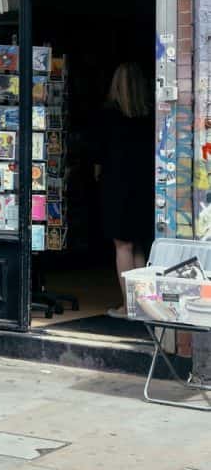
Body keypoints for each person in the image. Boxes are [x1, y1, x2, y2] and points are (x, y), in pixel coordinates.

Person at [94, 63, 154, 313]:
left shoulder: (108, 115)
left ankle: (129, 306)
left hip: (117, 186)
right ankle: (143, 305)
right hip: (143, 186)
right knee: (138, 245)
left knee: (122, 246)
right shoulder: (149, 115)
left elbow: (99, 156)